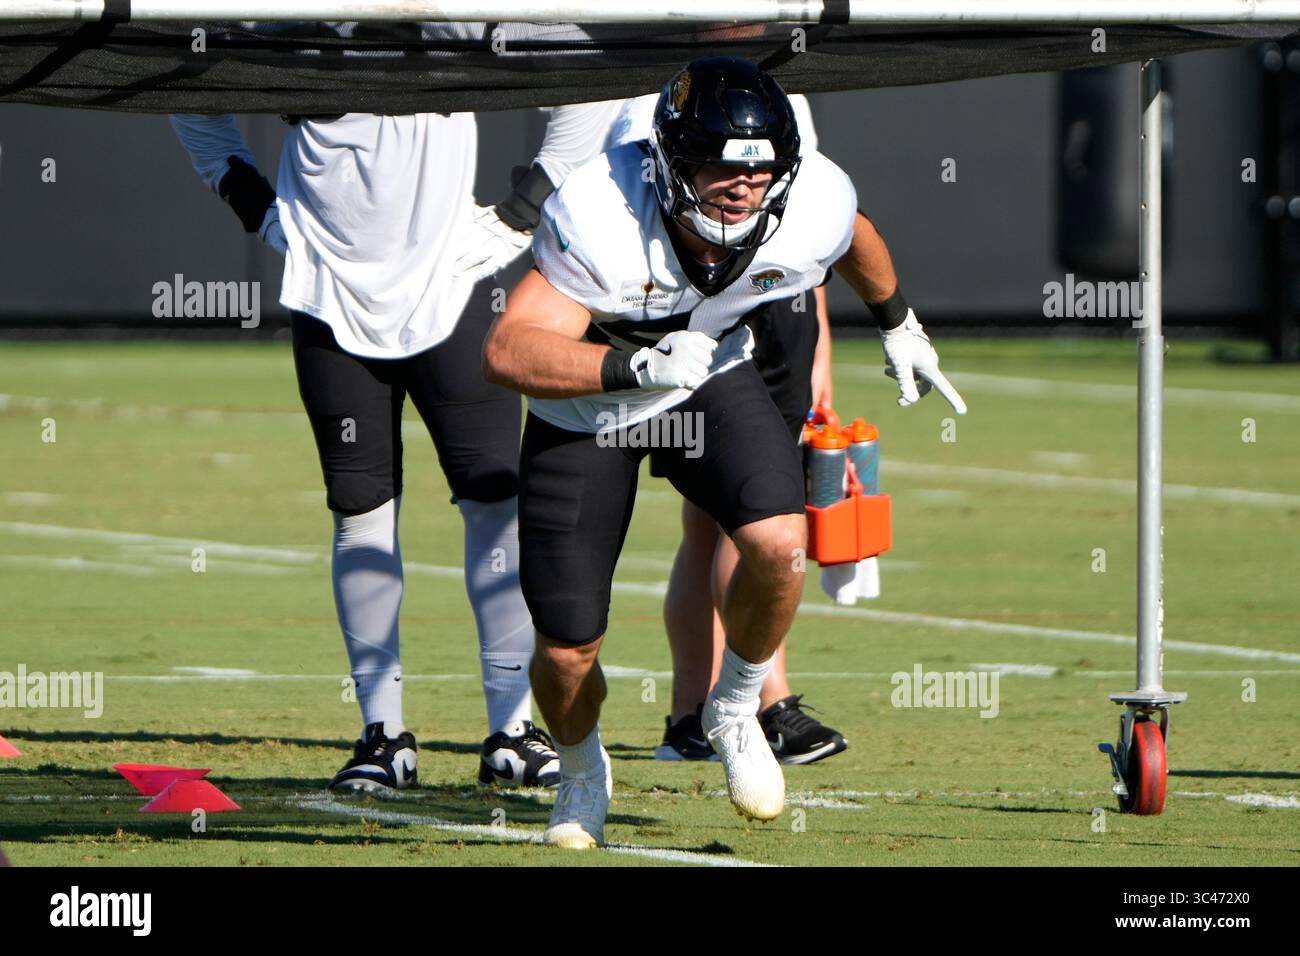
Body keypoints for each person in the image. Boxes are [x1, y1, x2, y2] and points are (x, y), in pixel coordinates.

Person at [484, 57, 966, 848]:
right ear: (670, 163)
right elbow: (507, 350)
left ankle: (736, 705)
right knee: (568, 653)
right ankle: (579, 769)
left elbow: (854, 235)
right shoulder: (602, 208)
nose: (743, 188)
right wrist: (630, 364)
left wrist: (897, 321)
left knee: (781, 546)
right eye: (719, 168)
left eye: (759, 170)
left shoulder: (808, 198)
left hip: (710, 376)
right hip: (590, 409)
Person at [170, 101, 620, 792]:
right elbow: (188, 81)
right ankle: (383, 732)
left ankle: (512, 728)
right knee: (361, 507)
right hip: (327, 292)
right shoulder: (284, 20)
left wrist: (522, 209)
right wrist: (256, 207)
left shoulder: (456, 20)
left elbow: (586, 81)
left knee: (495, 497)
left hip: (454, 283)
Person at [605, 91, 849, 765]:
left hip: (780, 306)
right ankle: (765, 703)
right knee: (743, 514)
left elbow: (807, 222)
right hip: (703, 305)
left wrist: (820, 342)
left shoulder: (786, 88)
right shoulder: (655, 88)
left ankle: (691, 716)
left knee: (722, 519)